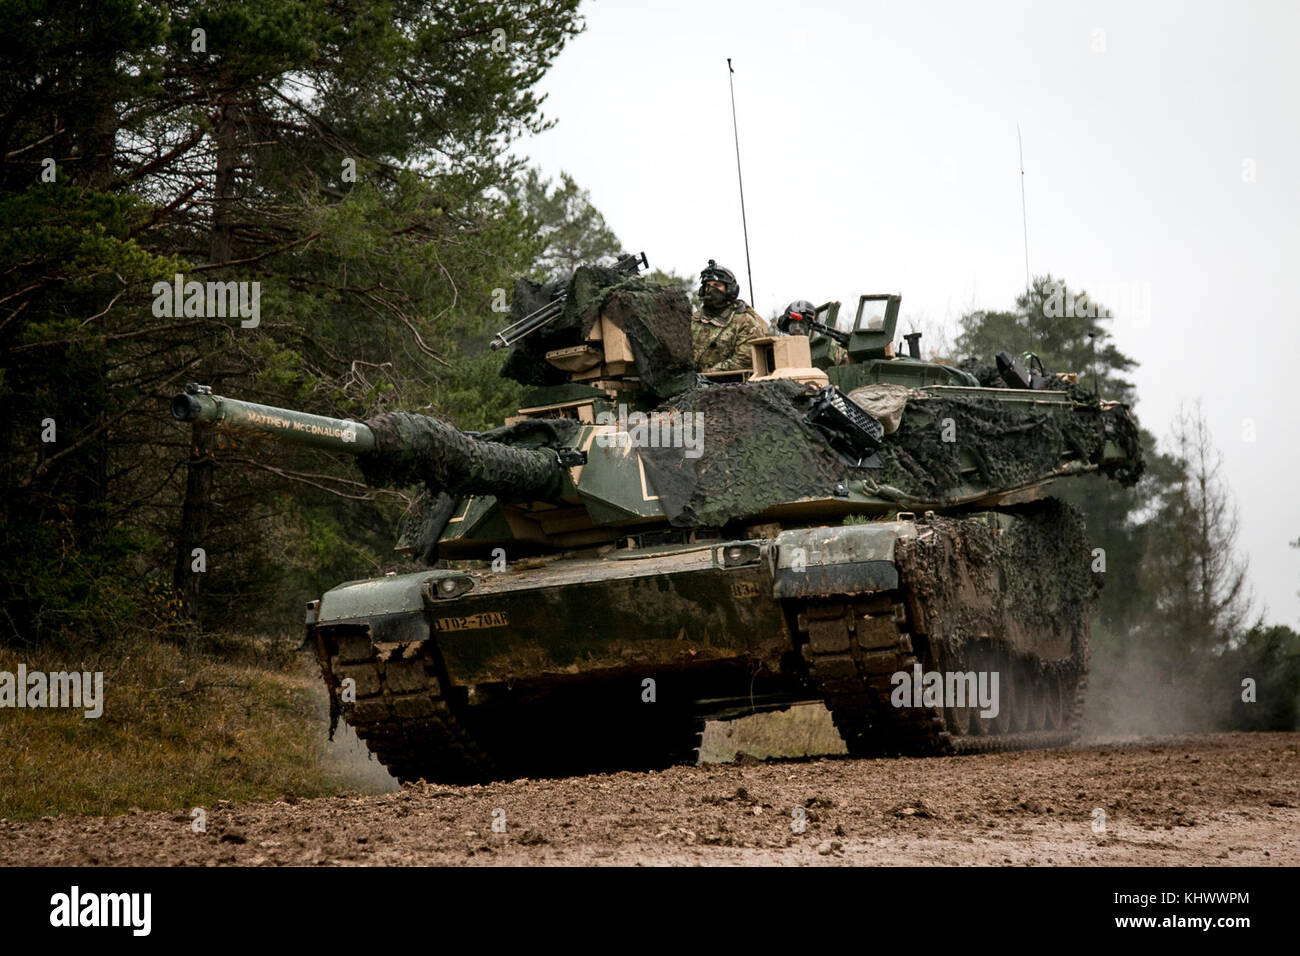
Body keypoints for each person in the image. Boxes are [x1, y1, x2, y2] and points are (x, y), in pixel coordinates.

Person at [691, 259, 770, 372]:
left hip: (731, 385)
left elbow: (745, 361)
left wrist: (704, 376)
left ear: (730, 290)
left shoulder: (745, 321)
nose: (711, 290)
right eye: (707, 286)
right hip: (693, 386)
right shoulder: (694, 320)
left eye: (717, 285)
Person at [776, 300, 848, 366]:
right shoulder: (782, 352)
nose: (797, 328)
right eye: (793, 324)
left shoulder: (830, 351)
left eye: (802, 324)